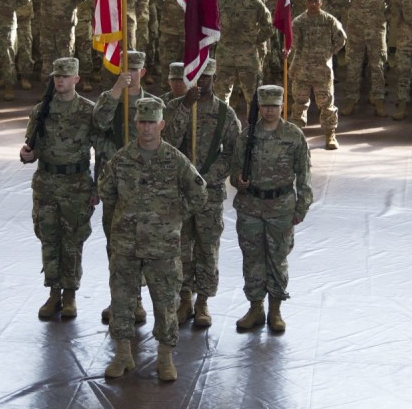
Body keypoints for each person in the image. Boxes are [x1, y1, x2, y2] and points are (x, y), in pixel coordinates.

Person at [99, 97, 207, 381]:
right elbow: (106, 192)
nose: (147, 129)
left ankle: (165, 358)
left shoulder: (174, 160)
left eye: (152, 123)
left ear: (162, 124)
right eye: (142, 122)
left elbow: (198, 193)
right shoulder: (122, 159)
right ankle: (123, 355)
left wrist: (173, 216)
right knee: (121, 301)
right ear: (136, 124)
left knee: (165, 302)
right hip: (126, 245)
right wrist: (120, 223)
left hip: (162, 246)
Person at [163, 59, 240, 327]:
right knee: (181, 246)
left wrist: (206, 178)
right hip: (180, 192)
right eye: (198, 76)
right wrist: (185, 106)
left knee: (208, 247)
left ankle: (203, 300)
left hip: (210, 191)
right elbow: (168, 141)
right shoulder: (175, 107)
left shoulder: (225, 114)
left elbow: (232, 153)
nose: (202, 81)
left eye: (208, 77)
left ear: (215, 78)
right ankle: (184, 297)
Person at [19, 57, 99, 319]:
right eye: (57, 76)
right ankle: (54, 292)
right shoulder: (43, 110)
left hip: (76, 184)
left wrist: (97, 187)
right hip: (47, 183)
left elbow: (102, 150)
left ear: (76, 79)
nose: (60, 80)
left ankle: (70, 294)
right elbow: (33, 145)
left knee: (73, 241)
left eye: (65, 76)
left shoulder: (88, 111)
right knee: (49, 239)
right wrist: (27, 154)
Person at [230, 84, 313, 333]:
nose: (269, 111)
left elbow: (304, 175)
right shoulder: (247, 136)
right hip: (251, 206)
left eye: (274, 106)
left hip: (281, 207)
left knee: (277, 259)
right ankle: (256, 308)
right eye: (265, 106)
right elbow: (234, 170)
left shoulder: (293, 135)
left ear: (281, 107)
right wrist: (238, 181)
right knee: (252, 259)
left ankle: (275, 309)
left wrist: (302, 207)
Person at [92, 50, 160, 324]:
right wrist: (117, 89)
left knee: (143, 244)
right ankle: (119, 299)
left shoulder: (153, 104)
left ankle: (138, 301)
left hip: (144, 188)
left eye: (134, 70)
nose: (129, 74)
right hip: (116, 185)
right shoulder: (109, 100)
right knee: (116, 246)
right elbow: (98, 123)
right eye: (124, 69)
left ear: (142, 72)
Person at [338, 0, 396, 116]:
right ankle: (351, 99)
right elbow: (342, 2)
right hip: (356, 33)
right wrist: (352, 16)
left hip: (376, 34)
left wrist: (383, 18)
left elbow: (394, 5)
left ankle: (378, 100)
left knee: (377, 67)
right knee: (353, 67)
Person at [289, 0, 346, 148]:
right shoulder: (298, 22)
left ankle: (330, 135)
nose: (313, 4)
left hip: (322, 71)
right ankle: (296, 135)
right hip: (302, 69)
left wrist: (328, 54)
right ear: (305, 2)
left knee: (326, 103)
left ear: (321, 2)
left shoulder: (329, 21)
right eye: (310, 1)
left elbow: (341, 39)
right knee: (299, 103)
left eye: (316, 1)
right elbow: (294, 45)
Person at [215, 0, 274, 111]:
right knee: (221, 96)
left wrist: (254, 41)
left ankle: (252, 130)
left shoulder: (255, 3)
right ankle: (223, 129)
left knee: (253, 96)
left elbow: (268, 26)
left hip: (248, 56)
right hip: (225, 55)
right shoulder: (221, 2)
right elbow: (209, 23)